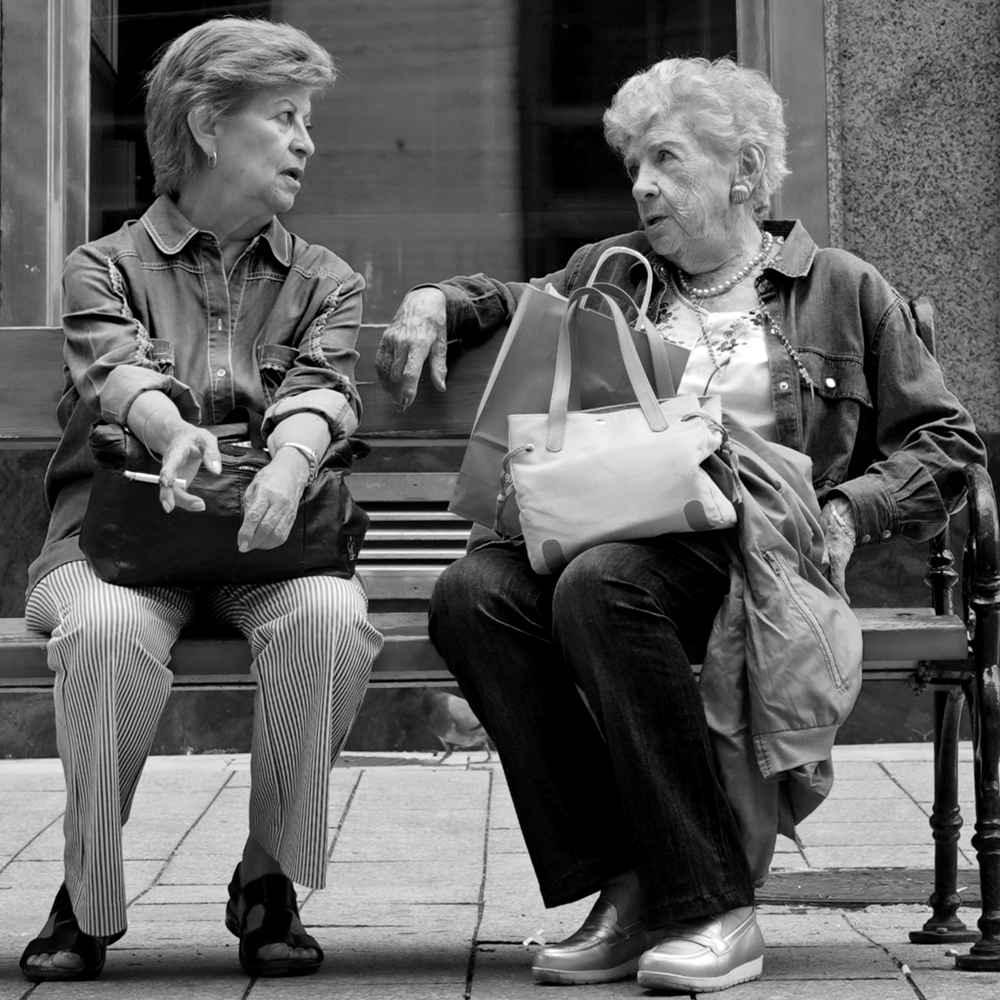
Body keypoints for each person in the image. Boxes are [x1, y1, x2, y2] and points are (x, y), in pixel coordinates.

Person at [374, 56, 985, 993]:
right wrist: (435, 301)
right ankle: (625, 884)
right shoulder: (611, 272)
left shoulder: (839, 287)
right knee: (473, 593)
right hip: (610, 532)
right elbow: (512, 299)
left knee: (602, 585)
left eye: (666, 158)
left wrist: (846, 511)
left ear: (744, 171)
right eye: (634, 166)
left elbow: (947, 442)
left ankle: (710, 904)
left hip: (751, 553)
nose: (643, 185)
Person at [19, 17, 383, 983]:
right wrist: (171, 429)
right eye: (285, 117)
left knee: (332, 617)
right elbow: (115, 371)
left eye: (308, 121)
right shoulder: (104, 266)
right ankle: (87, 892)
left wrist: (289, 465)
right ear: (210, 126)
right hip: (115, 547)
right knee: (100, 631)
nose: (307, 141)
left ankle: (267, 877)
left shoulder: (325, 279)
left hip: (272, 545)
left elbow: (325, 391)